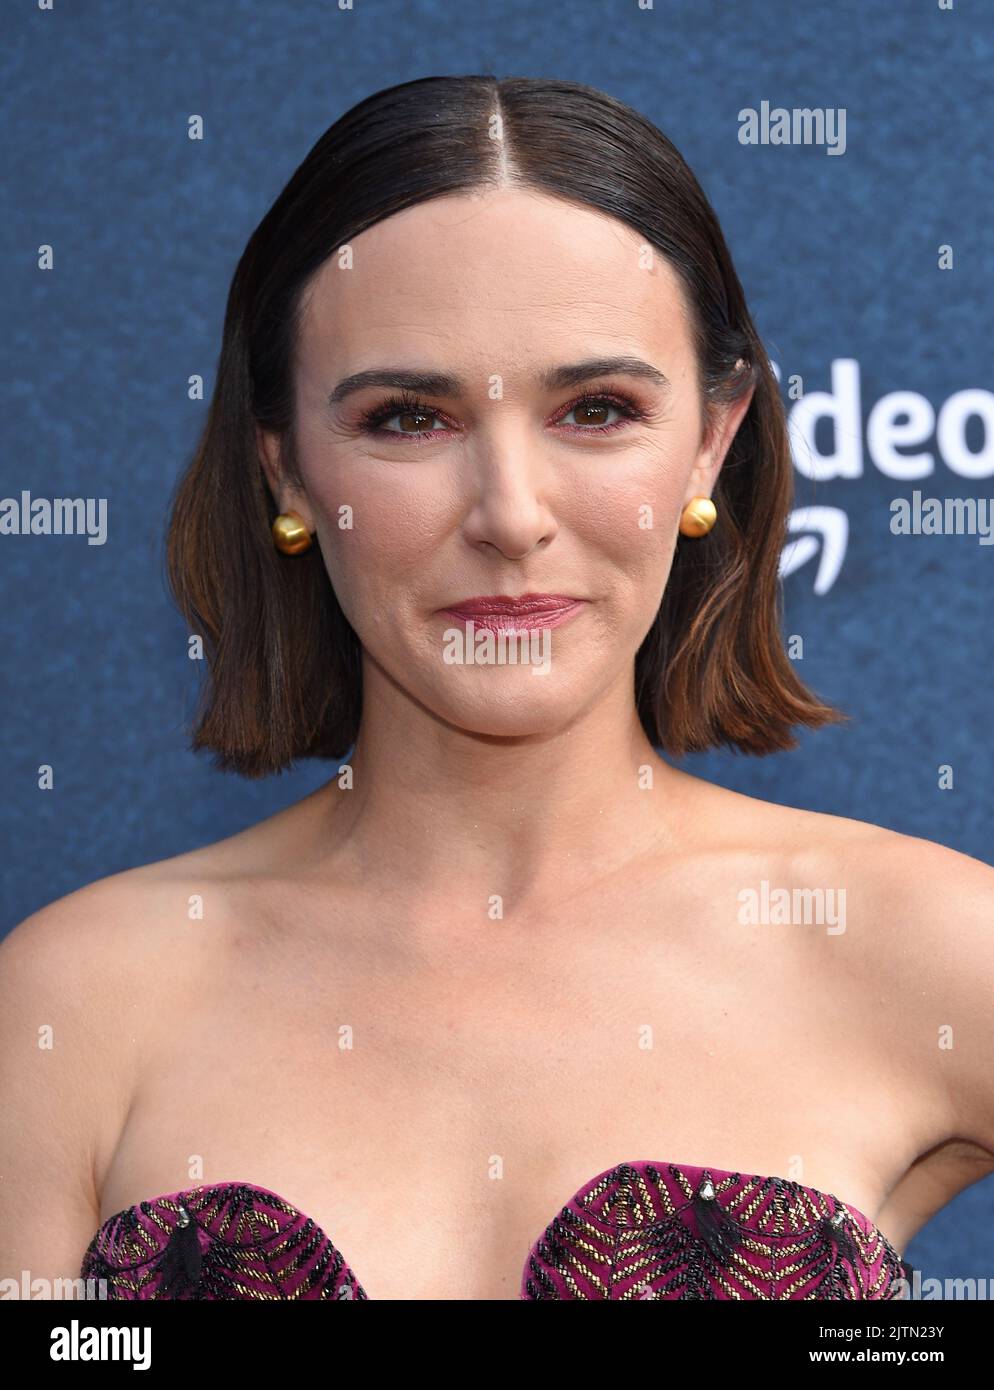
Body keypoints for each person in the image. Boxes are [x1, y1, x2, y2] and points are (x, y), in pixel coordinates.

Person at [1, 74, 992, 1302]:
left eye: (597, 409)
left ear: (711, 440)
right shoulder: (76, 1000)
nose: (510, 516)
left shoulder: (929, 947)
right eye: (409, 418)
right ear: (286, 470)